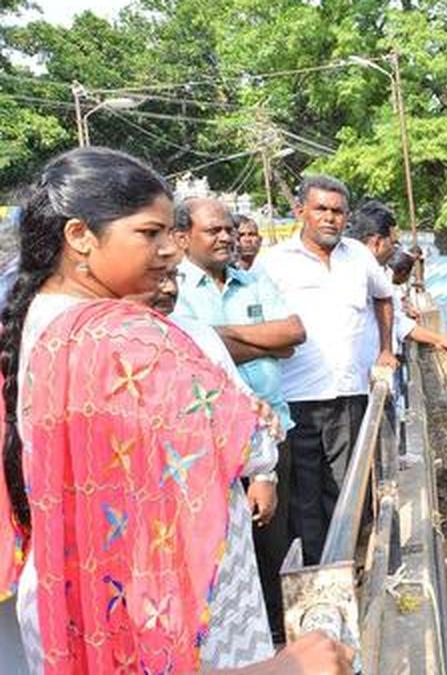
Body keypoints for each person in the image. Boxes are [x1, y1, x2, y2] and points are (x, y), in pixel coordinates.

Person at [0, 147, 352, 674]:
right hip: (158, 616)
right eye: (150, 233)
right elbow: (252, 435)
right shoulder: (121, 337)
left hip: (91, 600)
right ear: (80, 238)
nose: (170, 250)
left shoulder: (43, 322)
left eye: (170, 233)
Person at [171, 197, 305, 643]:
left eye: (230, 228)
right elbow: (183, 352)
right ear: (183, 236)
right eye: (214, 230)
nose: (227, 237)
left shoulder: (253, 278)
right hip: (209, 450)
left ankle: (280, 634)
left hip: (271, 433)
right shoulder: (174, 286)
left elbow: (292, 335)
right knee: (224, 550)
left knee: (275, 539)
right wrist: (260, 342)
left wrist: (213, 339)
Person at [255, 176, 397, 564]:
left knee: (347, 487)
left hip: (349, 394)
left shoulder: (359, 257)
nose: (330, 218)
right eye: (321, 209)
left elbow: (384, 298)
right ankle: (317, 575)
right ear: (300, 211)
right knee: (303, 495)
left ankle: (345, 567)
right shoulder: (273, 263)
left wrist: (385, 350)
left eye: (337, 211)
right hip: (296, 398)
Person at [347, 200, 447, 357]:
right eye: (393, 244)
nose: (394, 251)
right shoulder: (347, 275)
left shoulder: (379, 275)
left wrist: (439, 340)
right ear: (377, 243)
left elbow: (397, 322)